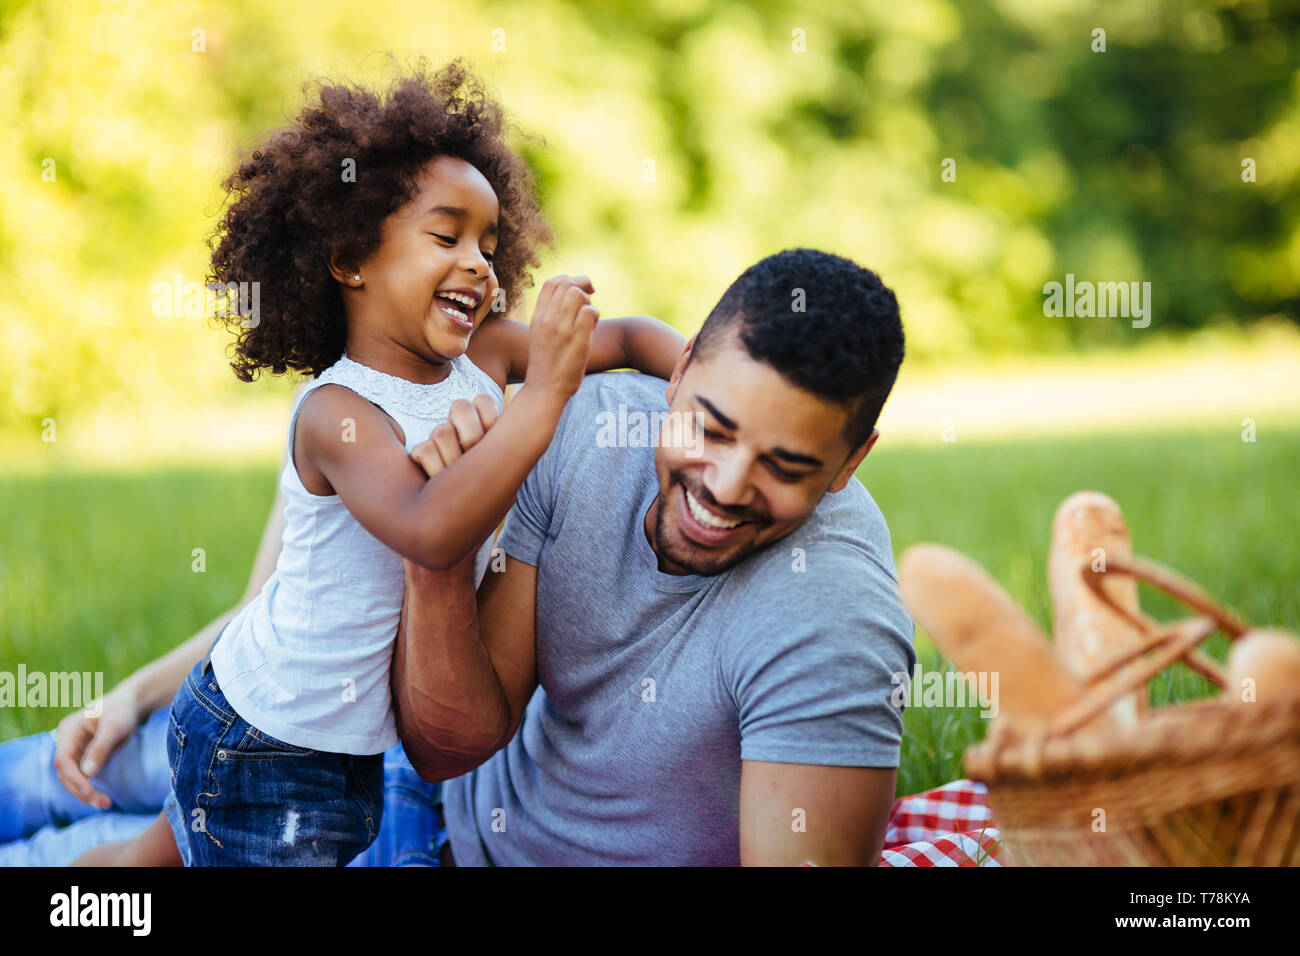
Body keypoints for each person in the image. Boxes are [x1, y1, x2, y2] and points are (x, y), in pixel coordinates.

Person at [73, 60, 686, 867]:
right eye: (446, 236)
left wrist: (702, 387)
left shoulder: (488, 355)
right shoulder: (338, 416)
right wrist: (542, 404)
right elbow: (429, 535)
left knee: (144, 862)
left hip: (345, 742)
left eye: (491, 246)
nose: (480, 264)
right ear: (351, 259)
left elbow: (631, 335)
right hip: (268, 740)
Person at [393, 247, 922, 865]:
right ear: (680, 369)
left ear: (850, 463)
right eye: (713, 430)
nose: (724, 487)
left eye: (783, 466)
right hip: (429, 806)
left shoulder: (837, 622)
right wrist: (438, 559)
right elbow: (448, 749)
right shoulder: (588, 429)